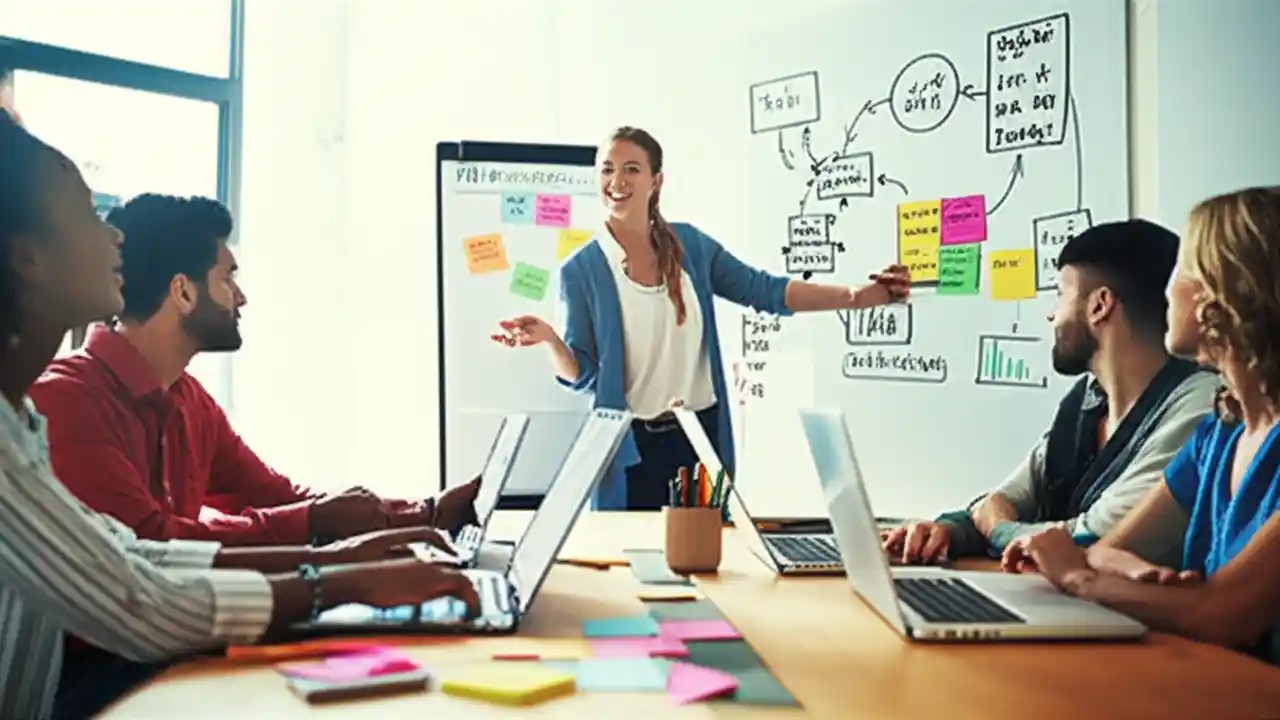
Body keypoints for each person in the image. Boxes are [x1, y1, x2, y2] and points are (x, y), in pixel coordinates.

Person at [0, 112, 479, 719]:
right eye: (88, 215)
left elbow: (134, 555)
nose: (114, 237)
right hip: (89, 673)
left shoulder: (27, 425)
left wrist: (356, 550)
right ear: (26, 259)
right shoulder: (60, 403)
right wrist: (338, 577)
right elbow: (136, 592)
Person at [492, 126, 909, 510]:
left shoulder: (692, 246)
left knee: (707, 568)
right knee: (631, 571)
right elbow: (582, 374)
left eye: (631, 169)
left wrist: (858, 296)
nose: (617, 181)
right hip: (631, 449)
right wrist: (550, 339)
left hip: (701, 441)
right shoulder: (581, 270)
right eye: (607, 170)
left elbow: (766, 291)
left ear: (656, 181)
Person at [29, 193, 479, 546]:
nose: (240, 298)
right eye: (228, 279)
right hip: (102, 659)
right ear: (182, 292)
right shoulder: (68, 401)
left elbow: (277, 497)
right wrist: (315, 530)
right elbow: (147, 544)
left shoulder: (188, 399)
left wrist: (427, 512)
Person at [1005, 187, 1280, 664]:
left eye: (1182, 270)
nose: (1167, 290)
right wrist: (1124, 575)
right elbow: (1104, 551)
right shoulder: (1219, 436)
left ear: (1230, 288)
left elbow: (1225, 613)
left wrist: (1083, 581)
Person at [882, 220, 1218, 567]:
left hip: (1138, 618)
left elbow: (1094, 538)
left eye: (1060, 294)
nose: (1051, 313)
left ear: (1099, 305)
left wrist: (998, 528)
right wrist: (946, 531)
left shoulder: (1201, 404)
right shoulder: (1086, 402)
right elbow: (1006, 500)